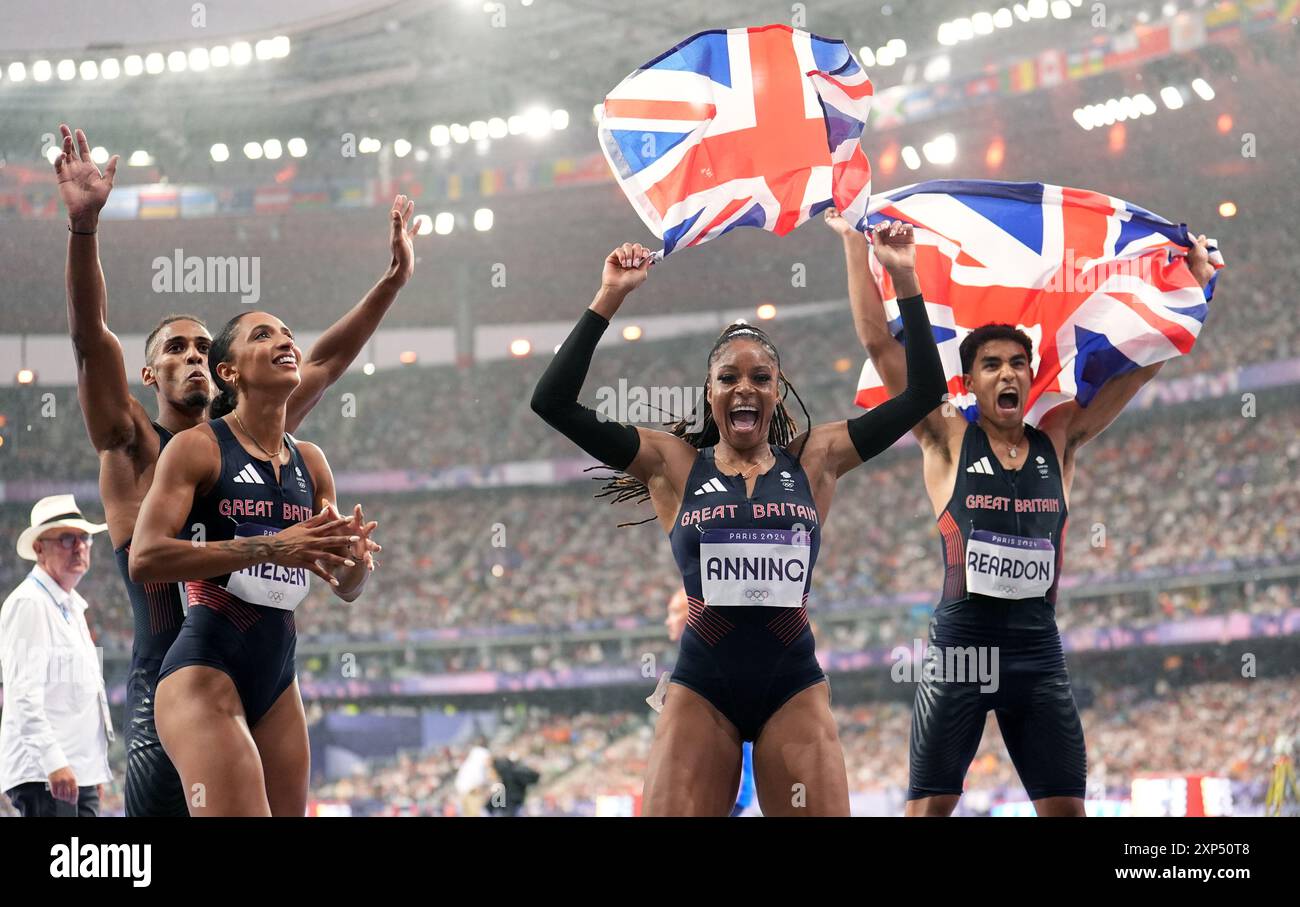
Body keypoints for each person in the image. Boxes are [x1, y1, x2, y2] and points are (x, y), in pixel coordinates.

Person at [54, 123, 419, 816]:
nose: (192, 356)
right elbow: (86, 339)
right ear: (149, 371)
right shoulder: (136, 443)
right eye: (178, 349)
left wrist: (393, 282)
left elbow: (328, 361)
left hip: (266, 673)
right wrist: (83, 231)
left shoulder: (249, 438)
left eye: (201, 345)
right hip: (173, 672)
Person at [532, 226, 944, 816]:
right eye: (729, 377)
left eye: (759, 378)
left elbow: (923, 392)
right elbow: (552, 403)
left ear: (777, 391)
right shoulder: (672, 464)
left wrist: (904, 276)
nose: (744, 387)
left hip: (792, 684)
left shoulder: (817, 457)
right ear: (710, 392)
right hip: (703, 686)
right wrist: (610, 297)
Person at [827, 207, 1218, 817]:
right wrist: (861, 249)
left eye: (1017, 363)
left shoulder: (1058, 439)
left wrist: (1188, 291)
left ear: (1031, 377)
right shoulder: (946, 437)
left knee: (1066, 810)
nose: (1007, 372)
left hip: (1037, 654)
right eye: (991, 365)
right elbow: (880, 343)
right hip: (961, 650)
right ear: (972, 382)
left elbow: (1137, 372)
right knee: (928, 809)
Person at [128, 310, 379, 816]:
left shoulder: (311, 461)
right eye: (263, 335)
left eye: (289, 332)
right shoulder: (197, 448)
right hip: (203, 671)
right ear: (230, 371)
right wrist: (269, 547)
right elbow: (145, 558)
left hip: (278, 679)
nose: (285, 341)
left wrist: (354, 562)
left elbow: (344, 585)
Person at [0, 495, 113, 817]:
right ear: (39, 548)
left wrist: (93, 767)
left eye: (84, 537)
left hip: (75, 771)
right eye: (66, 538)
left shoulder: (70, 606)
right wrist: (55, 763)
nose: (79, 546)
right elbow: (23, 694)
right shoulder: (30, 603)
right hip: (47, 775)